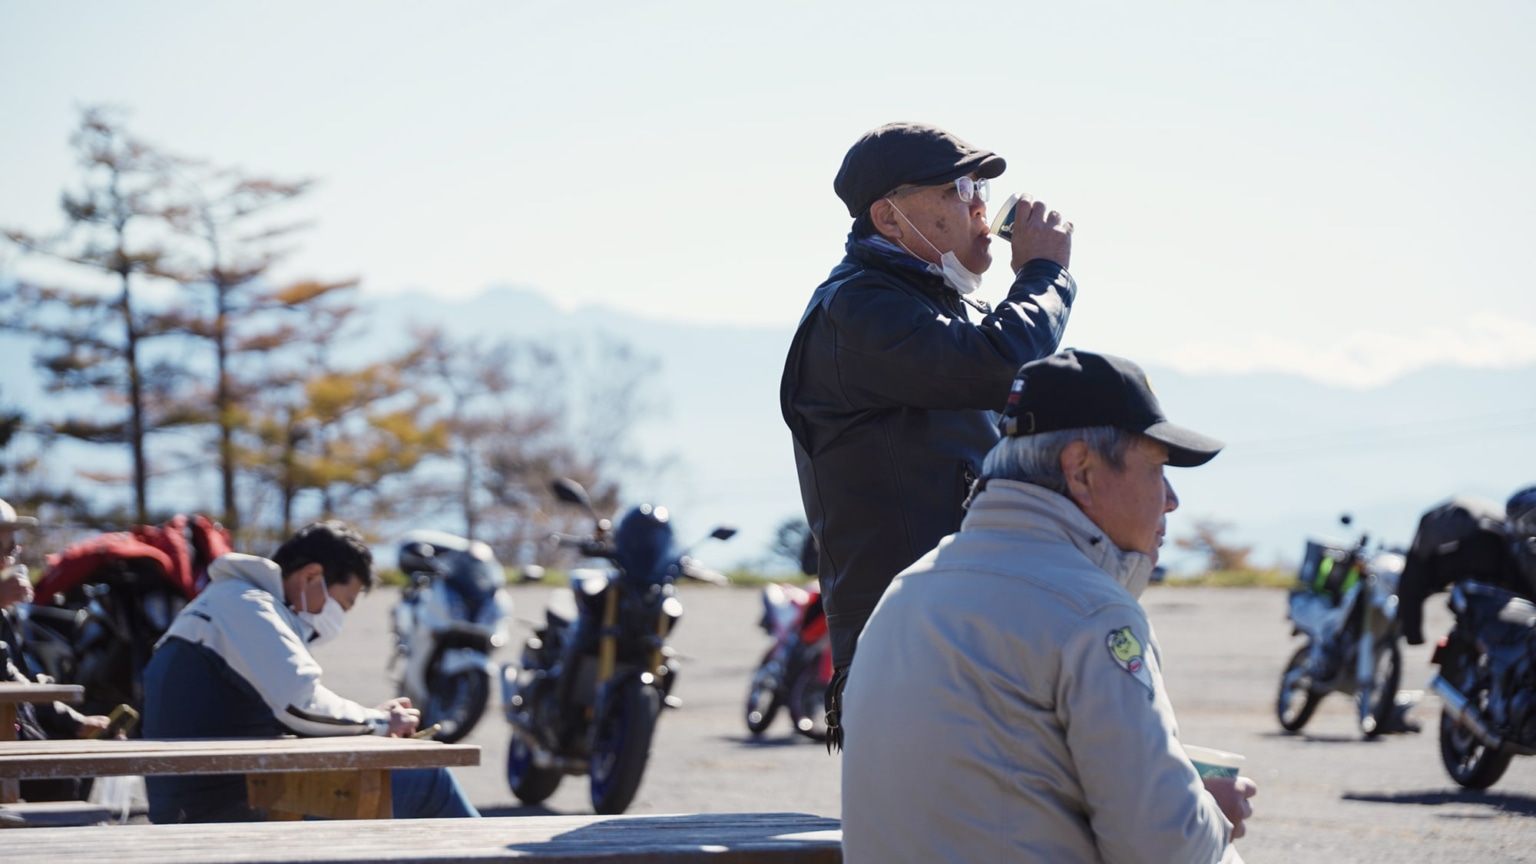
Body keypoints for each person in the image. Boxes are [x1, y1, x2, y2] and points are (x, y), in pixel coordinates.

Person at [840, 350, 1256, 863]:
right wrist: (1213, 814)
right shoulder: (1092, 614)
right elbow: (1164, 847)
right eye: (1156, 468)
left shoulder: (907, 589)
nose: (1171, 499)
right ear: (1081, 470)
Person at [780, 121, 1077, 746]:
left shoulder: (934, 303)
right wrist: (1045, 273)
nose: (980, 206)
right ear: (889, 219)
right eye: (959, 189)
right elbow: (999, 363)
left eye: (979, 188)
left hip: (966, 624)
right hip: (910, 640)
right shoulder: (857, 308)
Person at [141, 520, 479, 823]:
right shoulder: (247, 606)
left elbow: (294, 710)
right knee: (428, 779)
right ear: (311, 576)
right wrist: (380, 722)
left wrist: (368, 720)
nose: (337, 618)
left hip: (211, 802)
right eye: (342, 604)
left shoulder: (226, 601)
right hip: (227, 810)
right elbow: (300, 706)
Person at [0, 498, 113, 801]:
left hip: (14, 744)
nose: (5, 562)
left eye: (10, 550)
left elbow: (19, 679)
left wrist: (73, 721)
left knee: (83, 762)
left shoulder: (5, 617)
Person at [1396, 489, 1534, 646]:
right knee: (1514, 588)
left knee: (1414, 582)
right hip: (1491, 533)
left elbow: (1411, 583)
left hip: (1472, 537)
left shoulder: (1430, 522)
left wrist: (1413, 637)